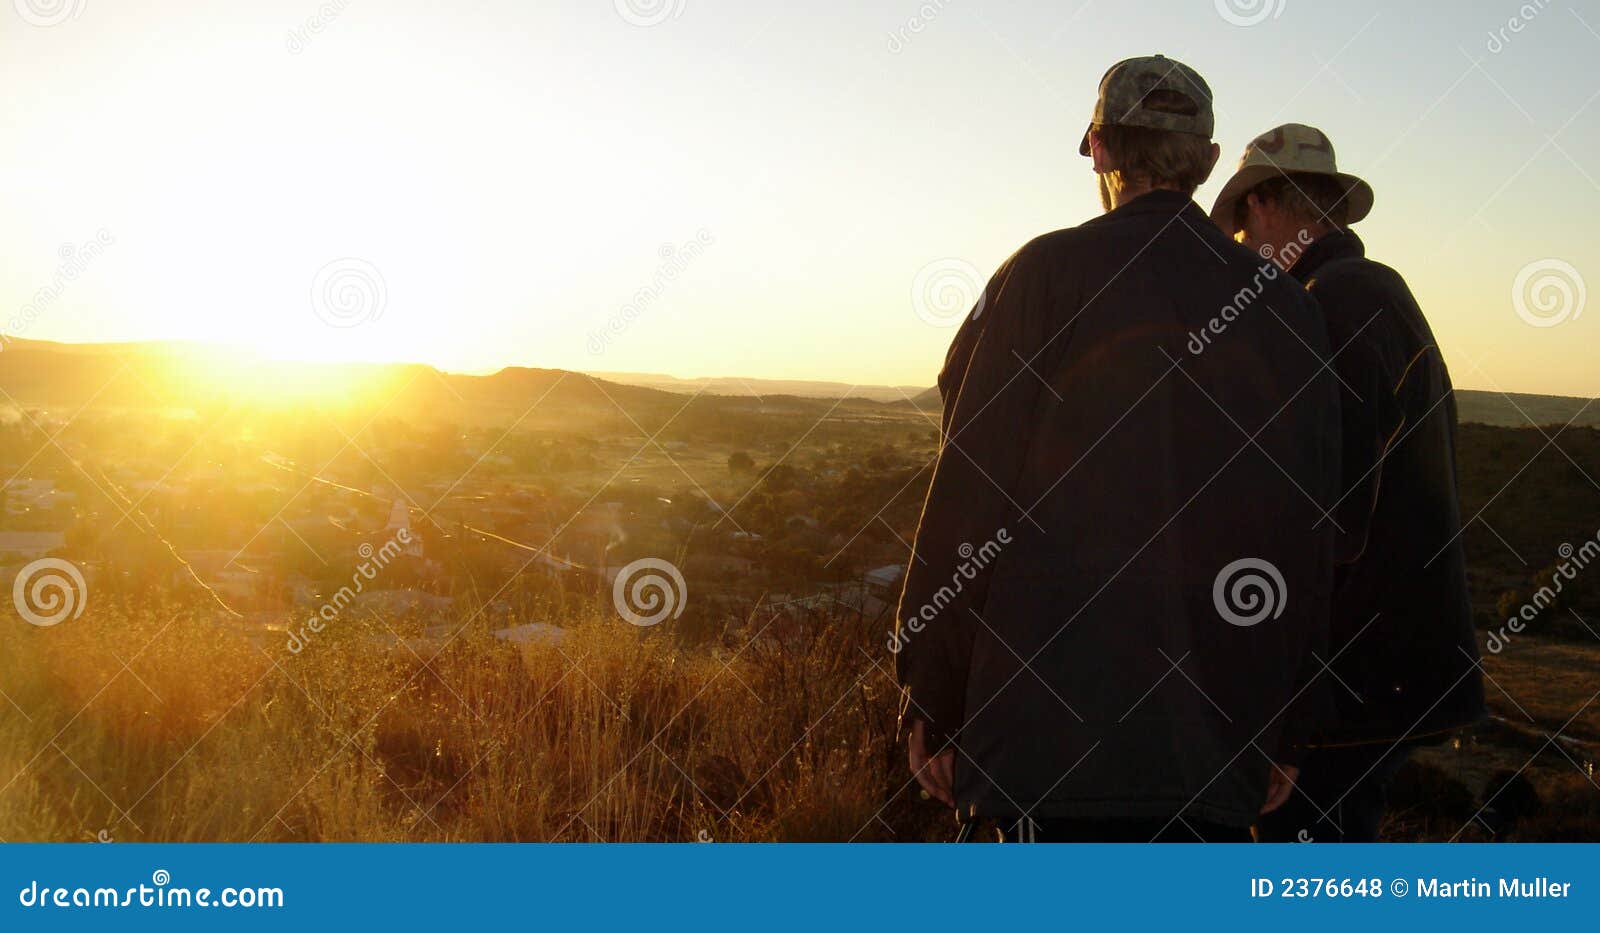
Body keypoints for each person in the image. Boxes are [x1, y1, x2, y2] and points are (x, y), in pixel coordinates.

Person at [894, 57, 1343, 842]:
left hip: (1043, 746)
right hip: (1211, 751)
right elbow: (1309, 533)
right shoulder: (1286, 312)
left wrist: (930, 687)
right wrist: (1293, 721)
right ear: (1206, 163)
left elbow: (969, 490)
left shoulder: (1039, 276)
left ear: (1100, 150)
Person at [1209, 123, 1486, 842]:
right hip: (1375, 674)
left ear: (1268, 204)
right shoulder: (1366, 291)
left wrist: (1281, 694)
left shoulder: (1333, 303)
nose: (1240, 246)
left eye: (1242, 224)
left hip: (1353, 682)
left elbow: (1331, 516)